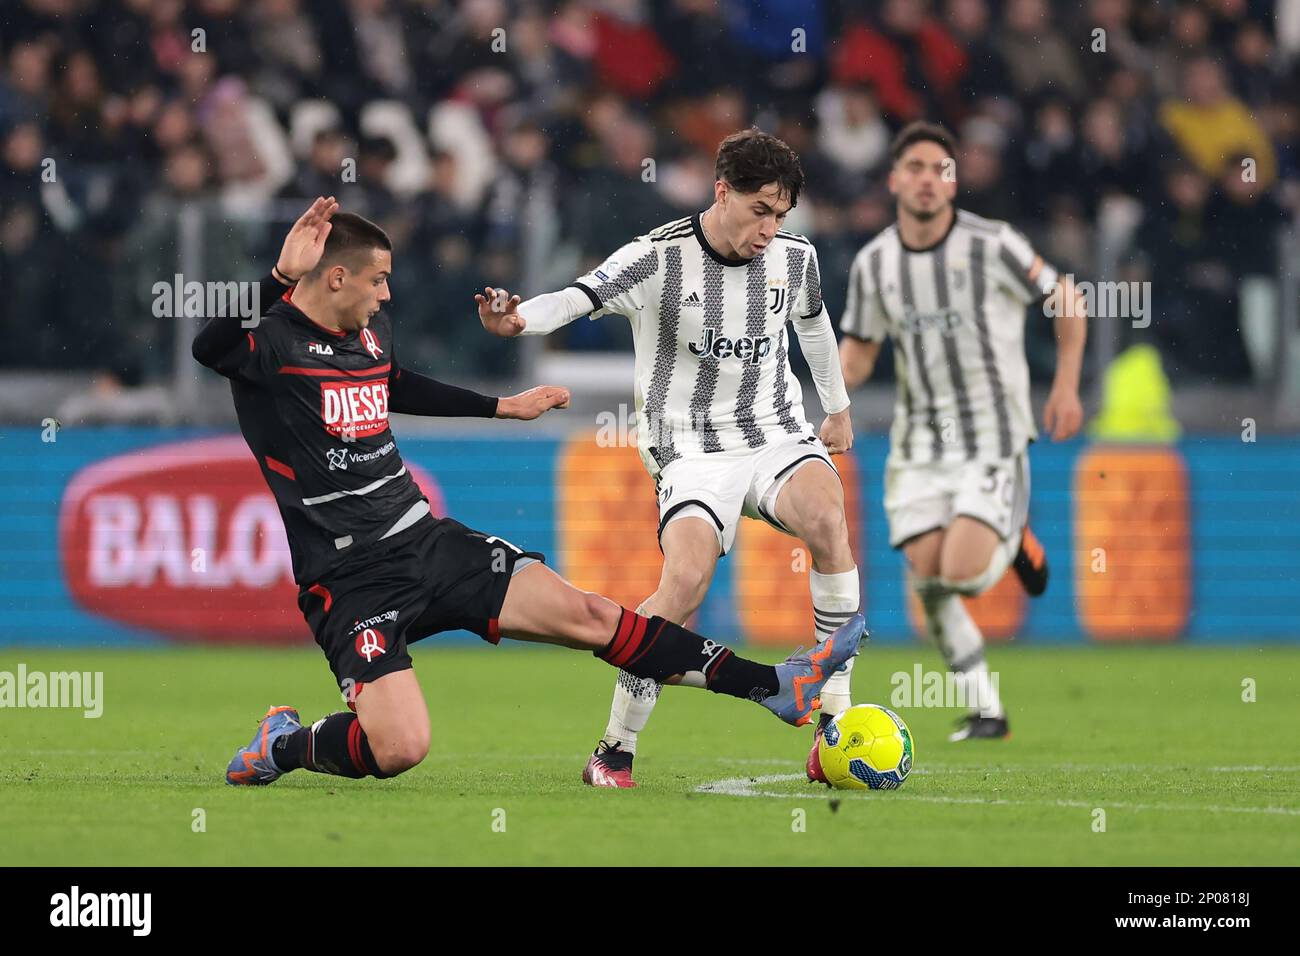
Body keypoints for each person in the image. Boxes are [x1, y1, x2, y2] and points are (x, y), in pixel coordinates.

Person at [191, 197, 864, 785]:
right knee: (399, 748)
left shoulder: (368, 330)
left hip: (428, 542)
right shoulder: (269, 345)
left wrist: (498, 406)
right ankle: (285, 744)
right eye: (379, 280)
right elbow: (207, 346)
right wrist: (278, 276)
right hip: (348, 578)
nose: (387, 295)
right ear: (334, 276)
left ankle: (772, 685)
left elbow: (393, 383)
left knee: (591, 617)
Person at [478, 129, 863, 787]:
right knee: (683, 585)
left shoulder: (795, 258)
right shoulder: (656, 258)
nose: (769, 229)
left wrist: (836, 405)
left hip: (773, 432)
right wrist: (519, 321)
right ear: (722, 192)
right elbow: (580, 295)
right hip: (687, 448)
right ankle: (615, 748)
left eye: (780, 215)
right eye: (759, 210)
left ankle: (835, 720)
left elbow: (813, 324)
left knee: (829, 521)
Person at [837, 123, 1085, 741]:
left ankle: (1016, 539)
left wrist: (1065, 386)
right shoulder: (874, 264)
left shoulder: (992, 243)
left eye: (940, 169)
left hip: (992, 435)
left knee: (967, 572)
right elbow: (861, 350)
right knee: (931, 580)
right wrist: (828, 400)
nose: (927, 179)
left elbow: (1068, 300)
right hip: (919, 443)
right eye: (915, 167)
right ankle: (987, 710)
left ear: (953, 181)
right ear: (895, 179)